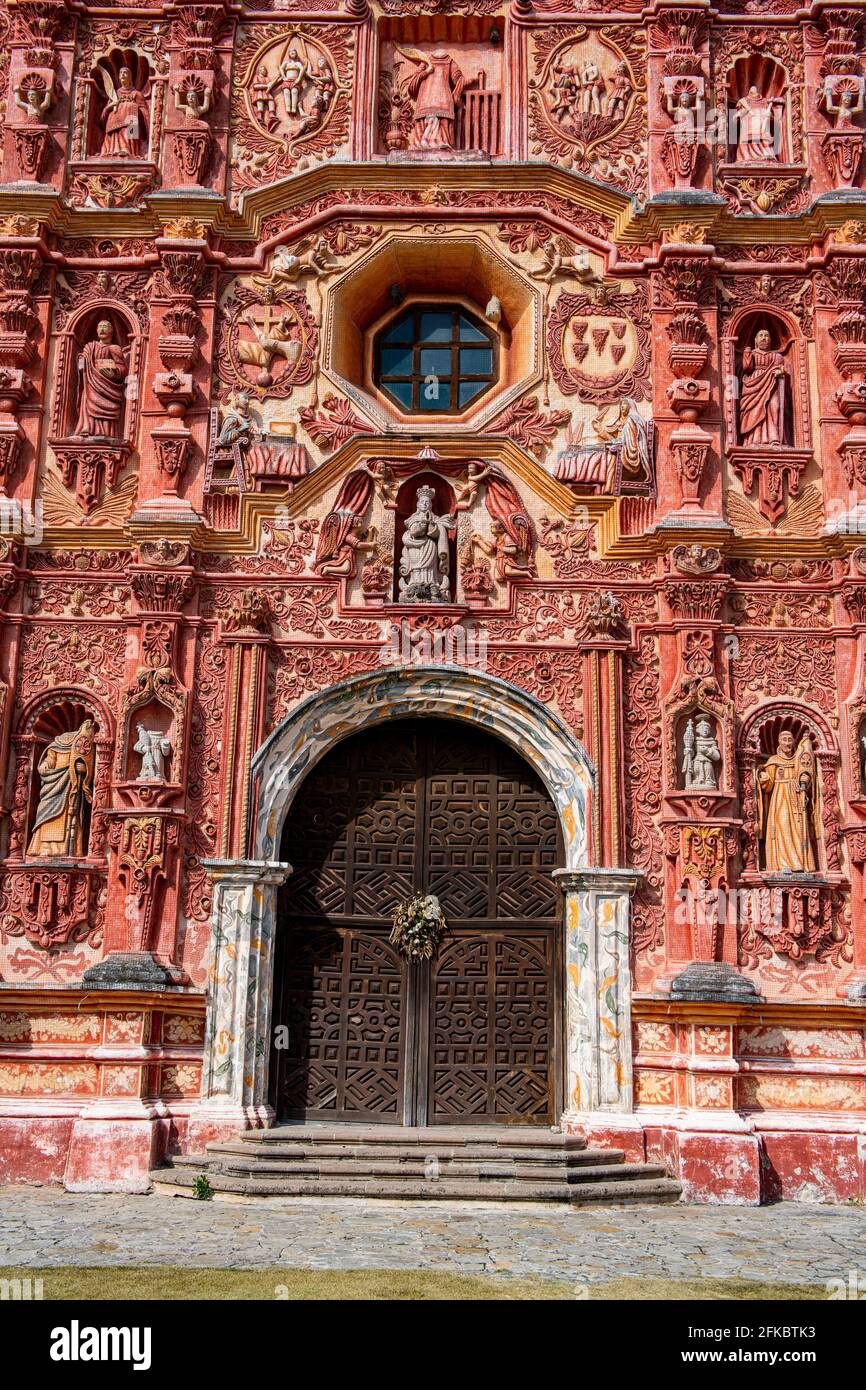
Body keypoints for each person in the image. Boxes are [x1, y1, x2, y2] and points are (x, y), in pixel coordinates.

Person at [27, 720, 97, 859]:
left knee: (69, 817)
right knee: (44, 813)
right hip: (53, 786)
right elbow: (50, 760)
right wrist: (45, 766)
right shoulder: (56, 746)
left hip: (71, 788)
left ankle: (64, 849)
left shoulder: (83, 745)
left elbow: (84, 762)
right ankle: (42, 848)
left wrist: (83, 770)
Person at [757, 732, 819, 873]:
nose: (787, 743)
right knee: (782, 826)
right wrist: (764, 777)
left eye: (789, 739)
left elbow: (806, 771)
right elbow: (768, 786)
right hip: (780, 799)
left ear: (793, 741)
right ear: (779, 742)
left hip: (797, 798)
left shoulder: (798, 759)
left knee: (799, 828)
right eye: (784, 739)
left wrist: (804, 783)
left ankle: (801, 864)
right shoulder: (773, 760)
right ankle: (783, 863)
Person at [74, 318, 129, 439]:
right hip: (91, 386)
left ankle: (106, 433)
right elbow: (82, 365)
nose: (102, 329)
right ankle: (87, 429)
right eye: (100, 326)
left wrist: (110, 369)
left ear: (112, 331)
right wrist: (82, 362)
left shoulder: (114, 348)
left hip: (108, 388)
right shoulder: (90, 347)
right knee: (88, 404)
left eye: (105, 326)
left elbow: (122, 369)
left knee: (107, 410)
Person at [739, 328, 787, 446]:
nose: (764, 338)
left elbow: (781, 369)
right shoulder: (753, 354)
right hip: (753, 384)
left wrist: (779, 372)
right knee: (754, 409)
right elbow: (747, 368)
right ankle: (754, 439)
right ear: (755, 340)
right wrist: (747, 354)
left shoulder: (777, 356)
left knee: (774, 407)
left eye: (766, 335)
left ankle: (773, 437)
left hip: (771, 384)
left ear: (770, 340)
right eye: (760, 335)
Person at [99, 66, 149, 159]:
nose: (122, 74)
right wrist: (111, 105)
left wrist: (132, 107)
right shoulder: (115, 94)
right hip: (114, 124)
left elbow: (144, 112)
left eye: (125, 72)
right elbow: (104, 114)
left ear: (130, 77)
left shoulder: (136, 94)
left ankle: (129, 150)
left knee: (130, 111)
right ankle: (112, 150)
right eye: (121, 73)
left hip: (131, 123)